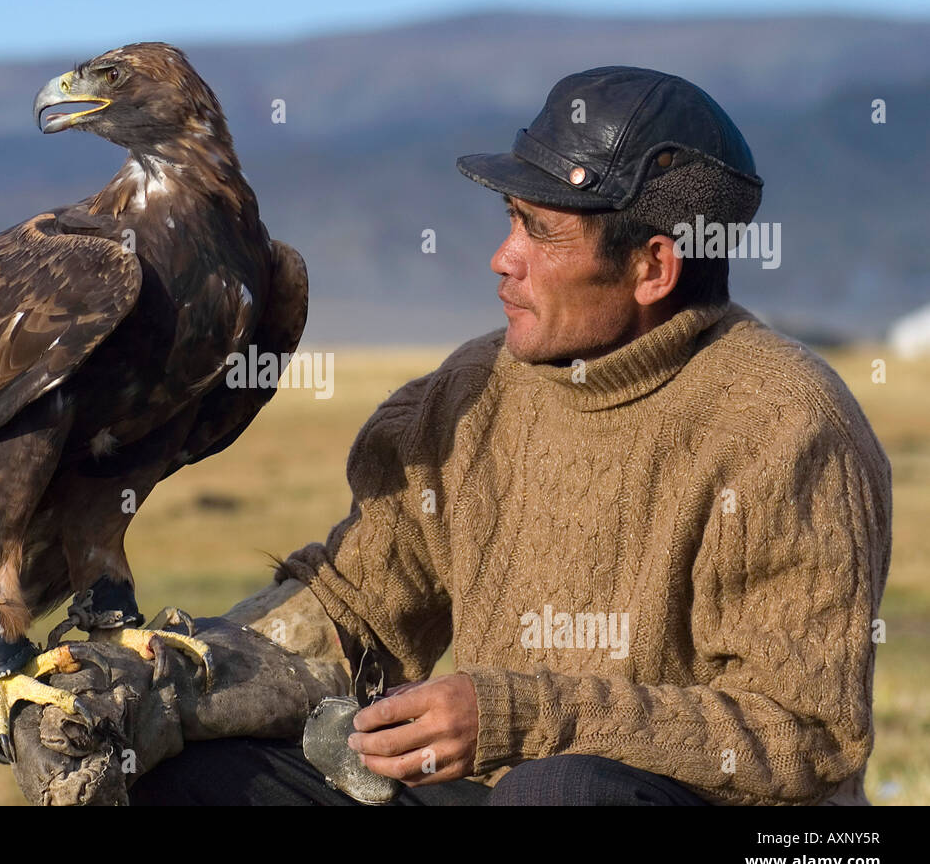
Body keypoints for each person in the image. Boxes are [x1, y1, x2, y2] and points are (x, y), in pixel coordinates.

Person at [125, 66, 893, 806]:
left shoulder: (786, 425)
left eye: (541, 230)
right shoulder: (473, 392)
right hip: (511, 797)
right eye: (510, 221)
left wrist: (516, 717)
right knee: (181, 772)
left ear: (653, 267)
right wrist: (170, 677)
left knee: (560, 789)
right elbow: (354, 610)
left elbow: (803, 735)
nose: (503, 259)